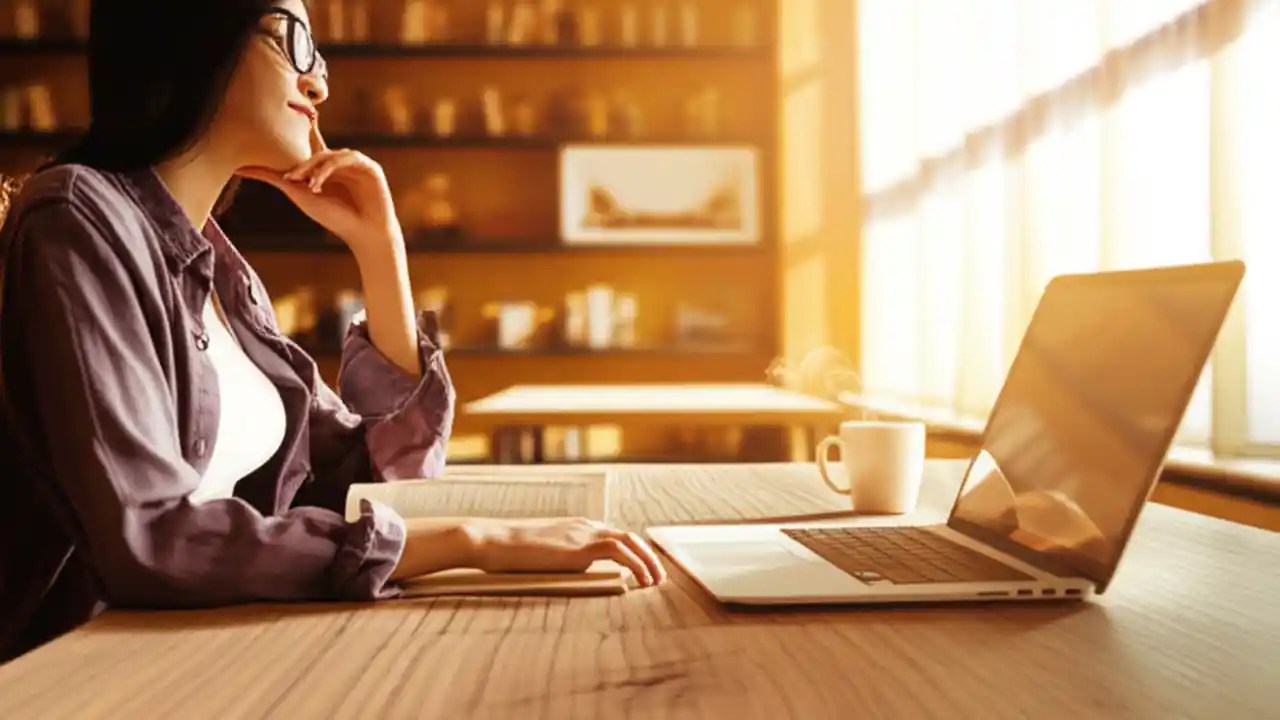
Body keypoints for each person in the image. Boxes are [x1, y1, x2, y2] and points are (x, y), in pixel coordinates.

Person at [0, 0, 664, 663]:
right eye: (292, 39)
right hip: (80, 663)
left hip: (206, 643)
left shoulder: (222, 269)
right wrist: (471, 542)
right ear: (196, 32)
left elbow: (375, 478)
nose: (318, 81)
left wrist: (380, 250)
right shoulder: (76, 218)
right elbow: (151, 539)